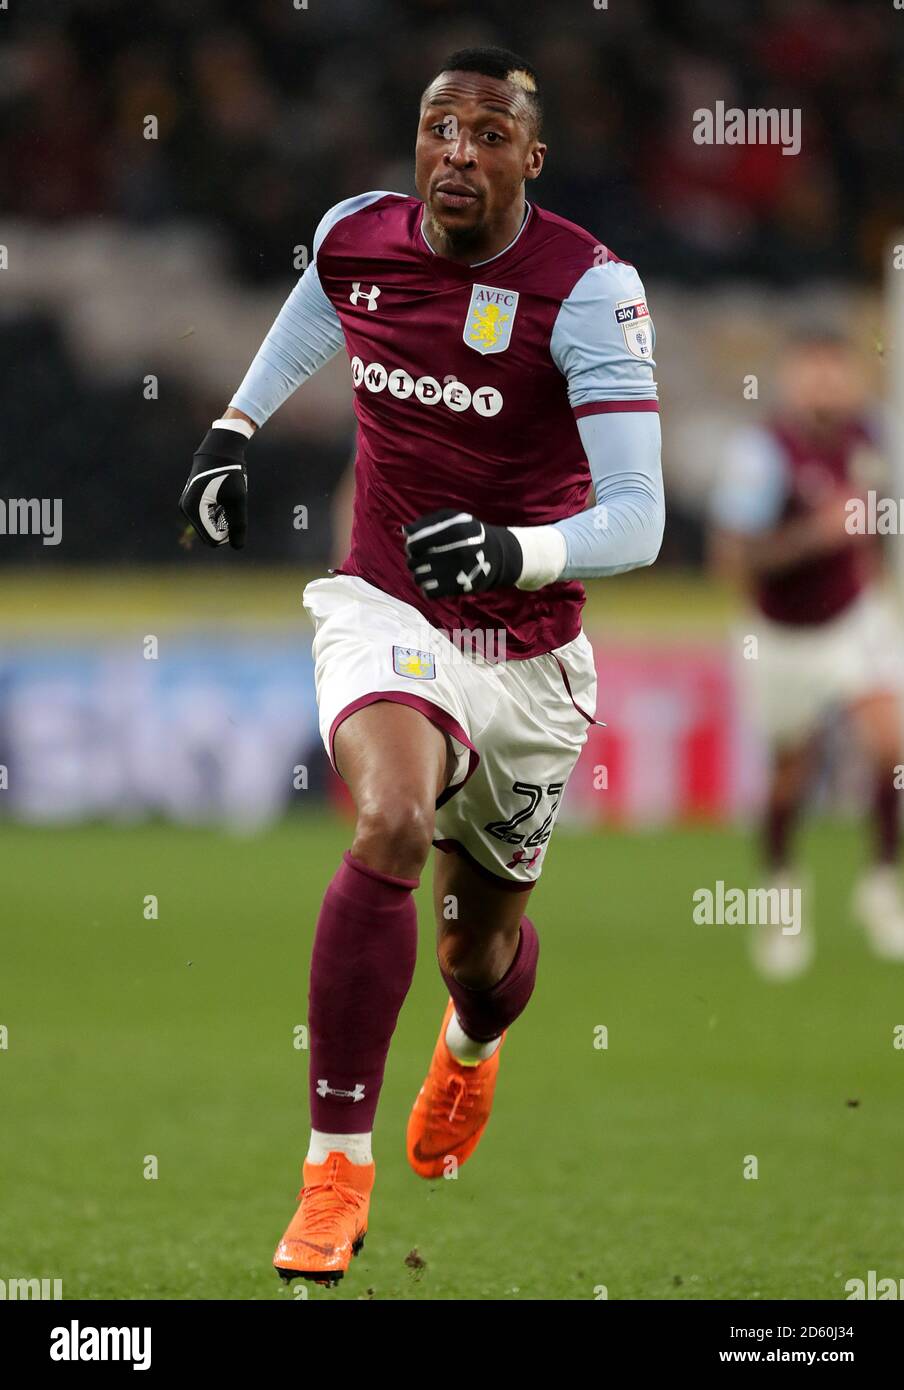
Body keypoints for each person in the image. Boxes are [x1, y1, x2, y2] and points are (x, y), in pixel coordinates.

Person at [180, 46, 664, 1286]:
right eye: (439, 127)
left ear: (529, 160)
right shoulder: (357, 236)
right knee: (389, 820)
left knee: (479, 958)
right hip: (383, 607)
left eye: (488, 133)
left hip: (532, 654)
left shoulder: (590, 289)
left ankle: (470, 1042)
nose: (458, 151)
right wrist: (234, 427)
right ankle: (334, 1172)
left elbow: (638, 523)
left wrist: (516, 544)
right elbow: (314, 317)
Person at [710, 331, 904, 979]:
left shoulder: (867, 441)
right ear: (791, 380)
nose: (826, 385)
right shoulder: (762, 454)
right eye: (812, 372)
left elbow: (872, 531)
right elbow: (733, 558)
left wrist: (871, 581)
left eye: (835, 372)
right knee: (791, 774)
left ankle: (880, 884)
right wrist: (816, 536)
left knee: (891, 744)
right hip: (783, 634)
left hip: (854, 620)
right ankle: (782, 896)